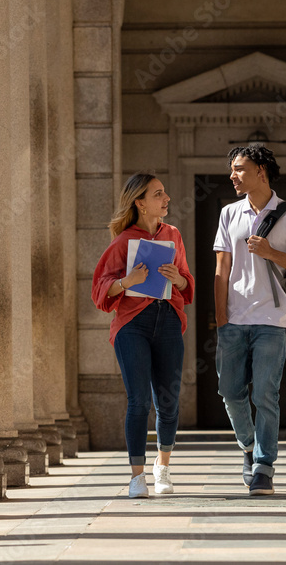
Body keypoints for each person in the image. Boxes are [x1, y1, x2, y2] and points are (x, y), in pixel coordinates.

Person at [213, 146, 286, 496]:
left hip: (272, 320)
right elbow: (221, 269)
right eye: (232, 170)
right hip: (234, 318)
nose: (233, 176)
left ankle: (263, 467)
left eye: (239, 169)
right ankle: (248, 445)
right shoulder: (229, 213)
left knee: (265, 394)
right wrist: (220, 317)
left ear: (261, 171)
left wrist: (272, 252)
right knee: (230, 392)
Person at [92, 173, 194, 499]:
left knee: (169, 402)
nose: (166, 199)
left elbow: (187, 285)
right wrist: (128, 281)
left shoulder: (173, 235)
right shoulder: (123, 242)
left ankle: (162, 468)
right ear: (140, 202)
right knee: (139, 401)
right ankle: (137, 477)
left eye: (165, 193)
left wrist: (178, 279)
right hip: (131, 325)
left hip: (166, 321)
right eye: (158, 194)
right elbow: (99, 290)